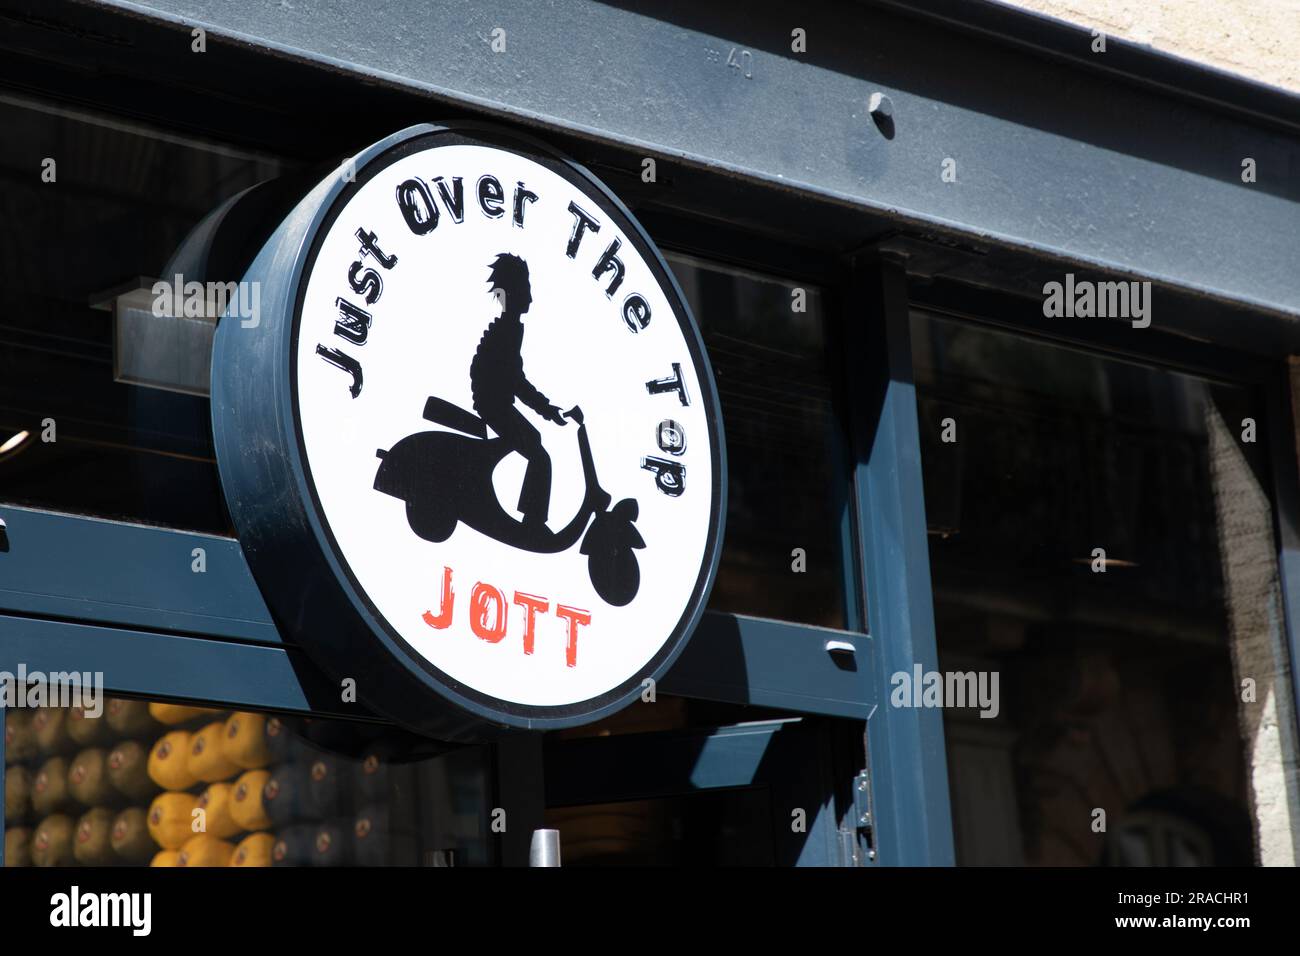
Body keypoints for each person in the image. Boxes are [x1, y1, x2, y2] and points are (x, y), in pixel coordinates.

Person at [469, 253, 567, 528]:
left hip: (494, 403)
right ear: (512, 292)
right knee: (540, 457)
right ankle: (533, 522)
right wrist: (547, 409)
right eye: (526, 290)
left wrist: (546, 409)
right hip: (493, 406)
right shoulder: (506, 332)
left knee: (534, 442)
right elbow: (515, 380)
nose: (531, 298)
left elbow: (512, 377)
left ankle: (531, 519)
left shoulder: (509, 330)